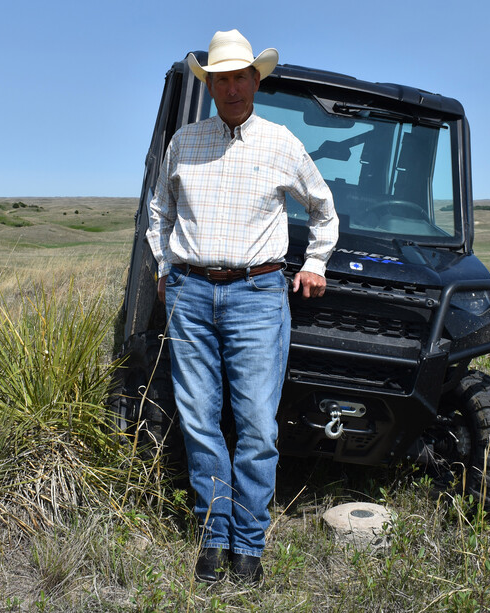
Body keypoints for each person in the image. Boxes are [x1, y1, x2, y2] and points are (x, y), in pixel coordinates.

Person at [146, 29, 338, 584]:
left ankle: (248, 544)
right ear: (210, 86)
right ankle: (214, 534)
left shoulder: (281, 143)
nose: (231, 88)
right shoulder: (185, 143)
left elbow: (324, 212)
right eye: (221, 79)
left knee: (256, 424)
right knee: (200, 420)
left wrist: (316, 264)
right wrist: (165, 269)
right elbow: (161, 214)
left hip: (258, 295)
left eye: (240, 77)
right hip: (190, 292)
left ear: (256, 80)